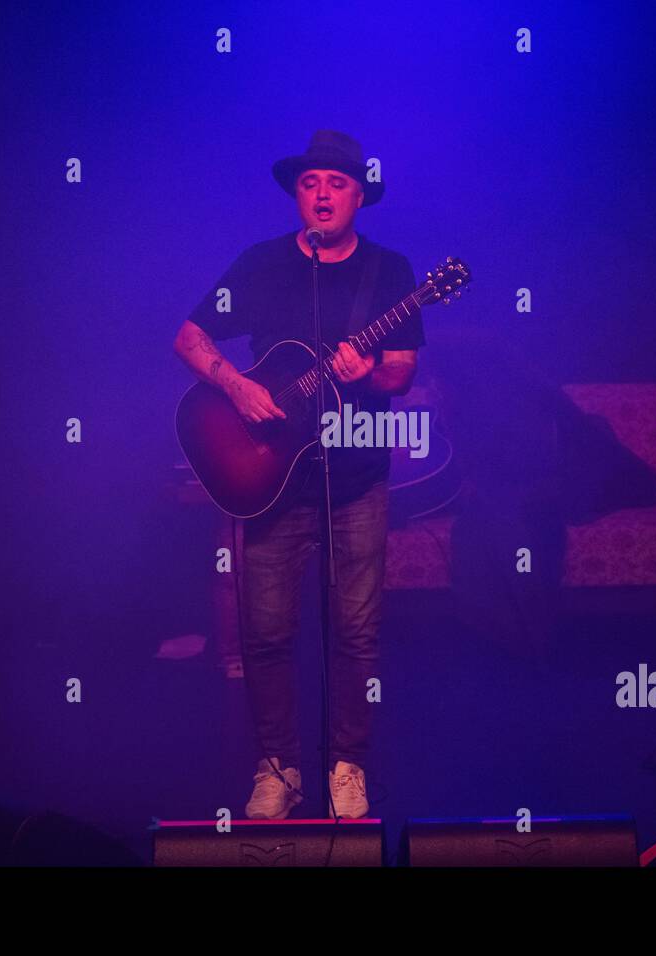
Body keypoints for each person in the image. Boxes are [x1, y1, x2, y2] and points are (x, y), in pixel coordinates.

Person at [173, 130, 424, 818]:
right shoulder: (259, 264)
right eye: (311, 182)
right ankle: (278, 767)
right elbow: (188, 338)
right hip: (269, 482)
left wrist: (367, 370)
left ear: (358, 198)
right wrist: (234, 386)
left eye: (337, 184)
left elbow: (402, 370)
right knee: (266, 633)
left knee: (355, 633)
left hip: (357, 481)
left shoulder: (391, 271)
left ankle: (347, 765)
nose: (322, 194)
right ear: (297, 194)